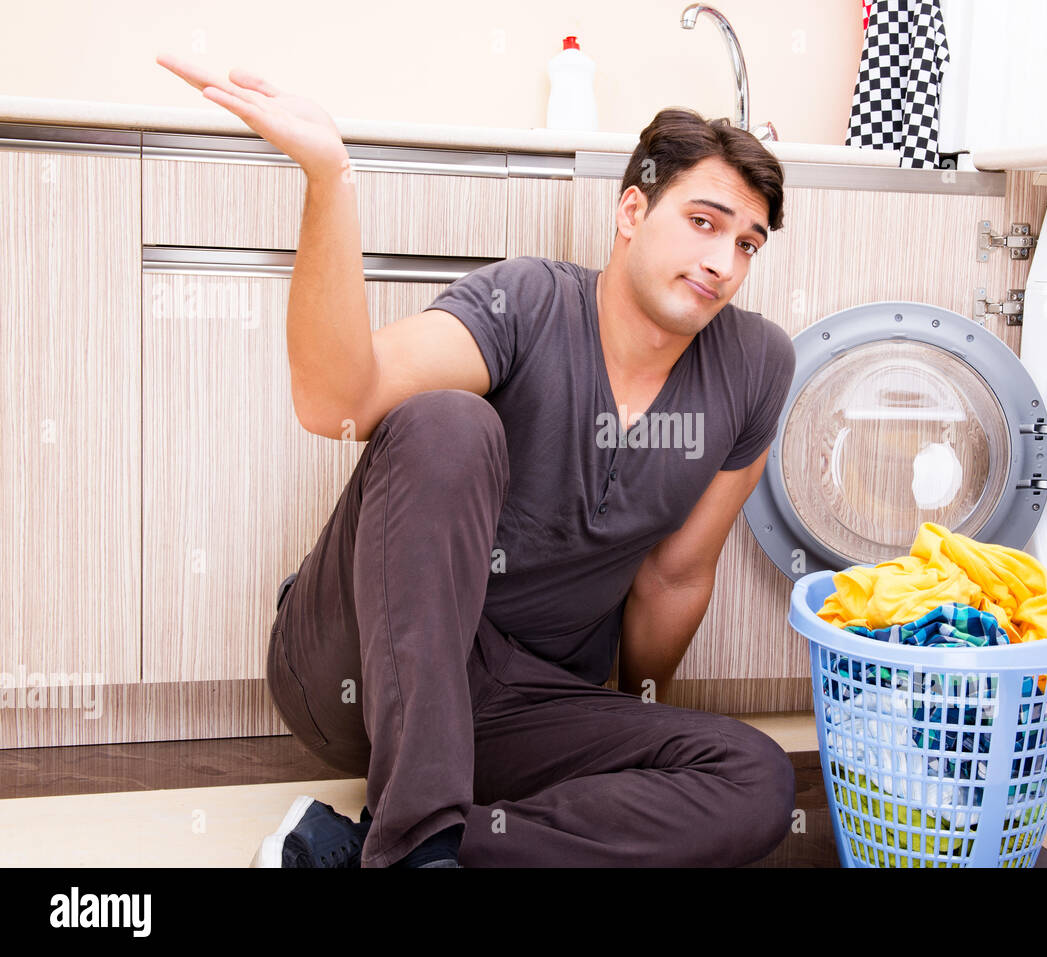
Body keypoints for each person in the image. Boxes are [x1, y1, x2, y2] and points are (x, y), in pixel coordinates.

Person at [157, 54, 798, 868]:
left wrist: (629, 730)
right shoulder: (526, 302)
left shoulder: (756, 364)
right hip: (353, 666)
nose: (723, 262)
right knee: (445, 420)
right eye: (704, 223)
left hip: (517, 702)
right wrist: (329, 179)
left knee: (756, 776)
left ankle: (382, 848)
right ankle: (418, 836)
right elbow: (336, 399)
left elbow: (673, 577)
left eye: (748, 243)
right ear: (632, 211)